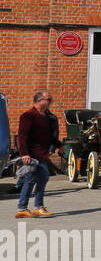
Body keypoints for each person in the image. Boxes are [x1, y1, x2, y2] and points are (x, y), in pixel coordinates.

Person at [15, 90, 55, 219]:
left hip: (41, 154)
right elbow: (22, 137)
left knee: (35, 180)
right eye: (48, 99)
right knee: (36, 179)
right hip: (32, 155)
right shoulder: (28, 115)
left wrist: (59, 146)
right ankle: (33, 207)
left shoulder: (46, 116)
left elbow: (49, 136)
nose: (51, 102)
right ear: (39, 101)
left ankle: (26, 208)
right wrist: (25, 154)